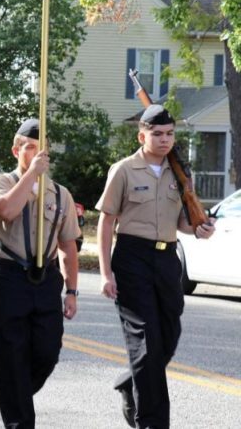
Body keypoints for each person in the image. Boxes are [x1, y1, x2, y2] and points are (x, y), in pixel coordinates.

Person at [96, 105, 216, 428]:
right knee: (147, 343)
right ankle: (152, 421)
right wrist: (106, 273)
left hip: (167, 259)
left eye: (170, 134)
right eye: (157, 134)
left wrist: (200, 228)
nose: (165, 140)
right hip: (132, 258)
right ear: (142, 135)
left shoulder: (180, 173)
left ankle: (130, 380)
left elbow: (182, 223)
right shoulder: (123, 170)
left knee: (169, 333)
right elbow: (106, 223)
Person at [0, 118, 80, 428]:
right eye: (29, 147)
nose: (36, 153)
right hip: (8, 277)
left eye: (41, 149)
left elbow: (68, 244)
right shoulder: (1, 183)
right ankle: (18, 419)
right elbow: (7, 211)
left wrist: (72, 291)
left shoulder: (60, 194)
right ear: (16, 150)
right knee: (10, 354)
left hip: (45, 279)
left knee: (48, 351)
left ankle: (16, 394)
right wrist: (32, 177)